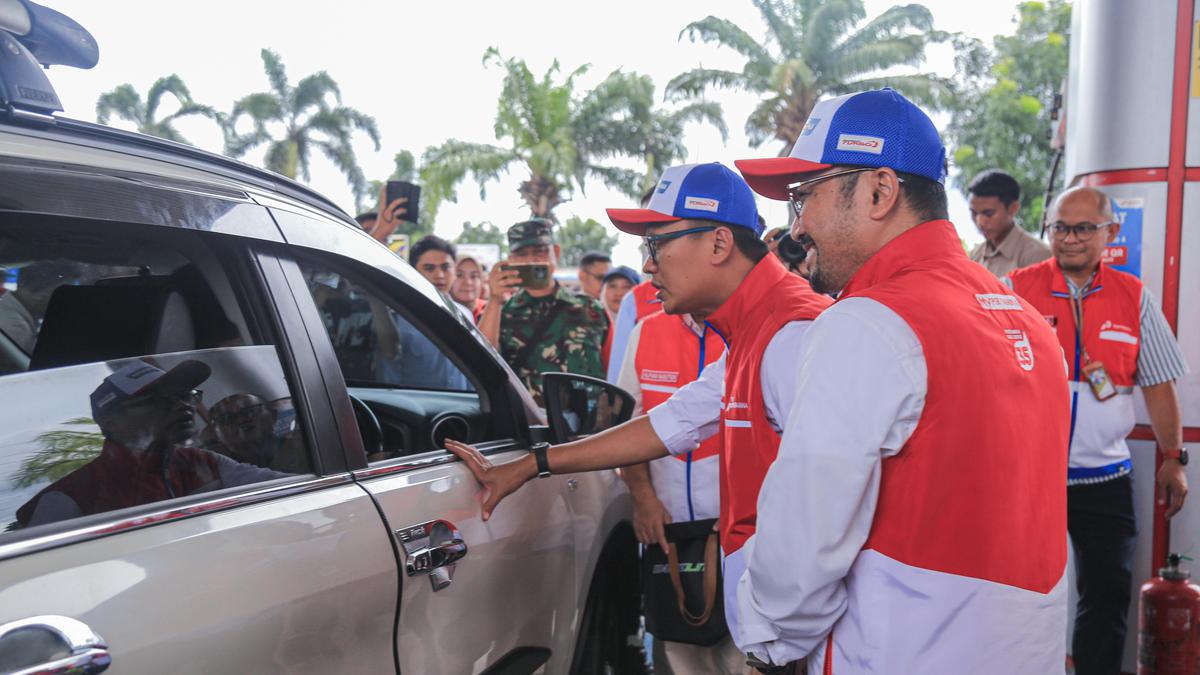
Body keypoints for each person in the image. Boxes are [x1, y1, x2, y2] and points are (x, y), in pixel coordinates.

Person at [723, 87, 1070, 673]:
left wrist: (769, 641)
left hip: (901, 651)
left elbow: (805, 537)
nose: (797, 225)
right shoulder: (1024, 316)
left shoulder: (866, 322)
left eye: (805, 195)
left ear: (880, 191)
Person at [444, 162, 833, 665]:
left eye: (657, 245)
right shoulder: (757, 331)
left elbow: (831, 510)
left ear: (718, 244)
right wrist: (531, 464)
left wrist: (786, 641)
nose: (647, 267)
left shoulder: (793, 335)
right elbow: (670, 422)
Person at [1007, 186, 1190, 675]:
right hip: (1029, 476)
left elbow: (1157, 383)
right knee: (1019, 592)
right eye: (1061, 227)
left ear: (1110, 232)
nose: (1070, 239)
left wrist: (1174, 458)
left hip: (1105, 477)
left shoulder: (1134, 298)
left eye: (1084, 228)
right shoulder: (1015, 290)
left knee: (1107, 595)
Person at [616, 305, 740, 673]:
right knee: (678, 656)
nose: (652, 270)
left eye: (661, 251)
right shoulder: (647, 331)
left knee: (741, 654)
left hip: (737, 534)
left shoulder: (753, 329)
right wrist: (642, 496)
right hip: (668, 529)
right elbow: (628, 424)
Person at [16, 359, 289, 526]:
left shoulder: (202, 462)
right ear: (110, 421)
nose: (183, 405)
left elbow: (284, 488)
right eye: (160, 399)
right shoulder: (69, 497)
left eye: (185, 395)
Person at [478, 219, 609, 404]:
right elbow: (482, 363)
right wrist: (494, 301)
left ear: (555, 252)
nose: (532, 259)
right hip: (528, 424)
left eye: (540, 251)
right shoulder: (500, 311)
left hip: (586, 427)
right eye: (521, 254)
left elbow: (611, 363)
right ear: (511, 260)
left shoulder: (590, 308)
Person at [966, 169, 1051, 276]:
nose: (980, 222)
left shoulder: (1036, 256)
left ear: (1013, 208)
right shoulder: (974, 256)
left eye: (988, 213)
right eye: (974, 213)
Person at [451, 255, 488, 322]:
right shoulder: (442, 311)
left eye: (474, 276)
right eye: (459, 275)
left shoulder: (490, 310)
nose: (468, 282)